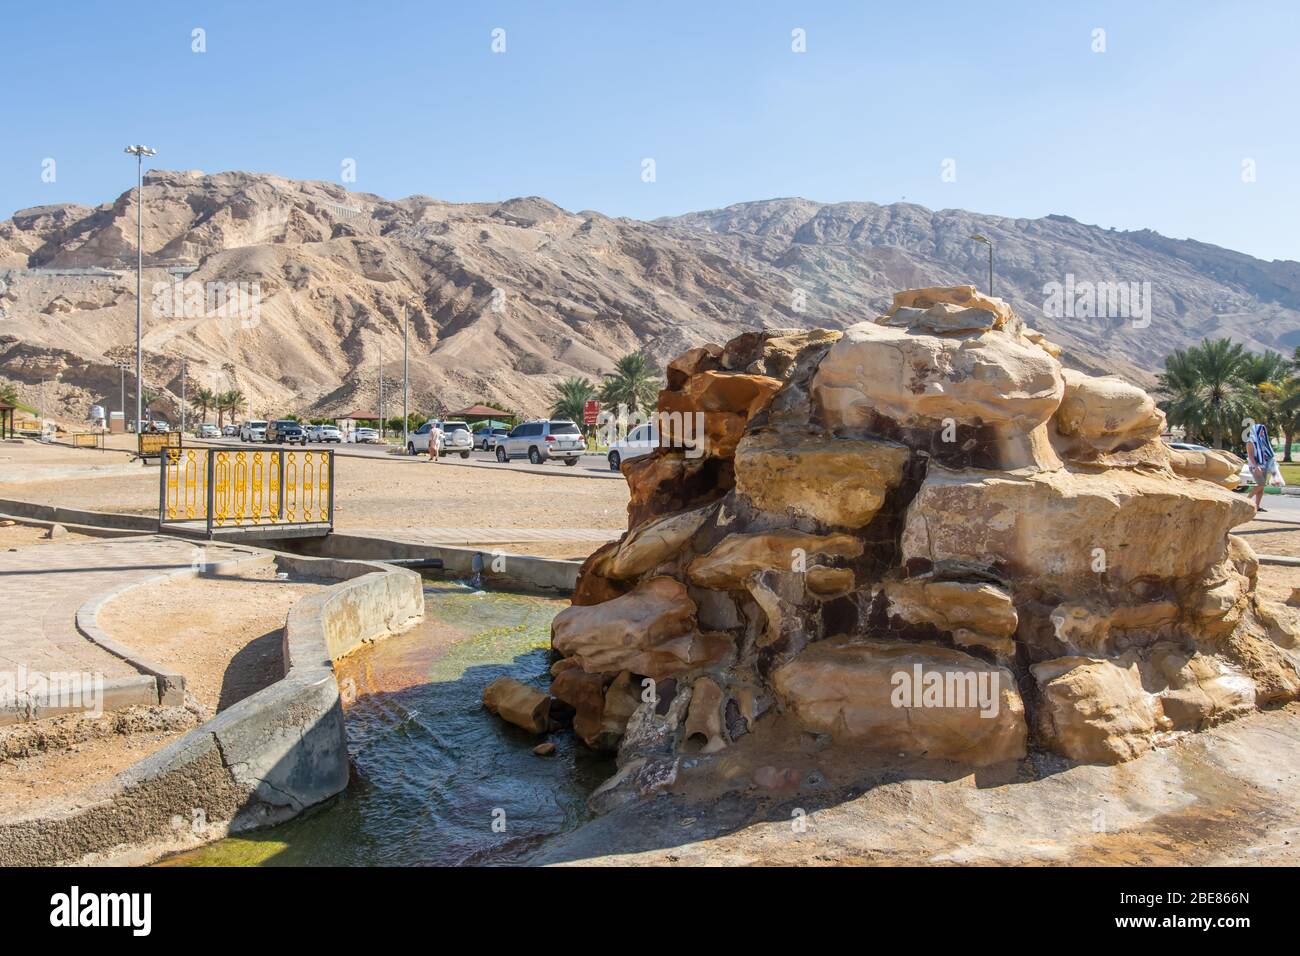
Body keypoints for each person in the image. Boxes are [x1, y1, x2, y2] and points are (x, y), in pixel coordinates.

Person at [1246, 421, 1275, 512]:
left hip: (1264, 465)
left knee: (1261, 488)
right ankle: (1246, 500)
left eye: (1263, 431)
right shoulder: (1250, 441)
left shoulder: (1262, 441)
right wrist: (1256, 466)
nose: (1263, 433)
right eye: (1261, 431)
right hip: (1255, 466)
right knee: (1261, 484)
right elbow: (1250, 456)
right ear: (1256, 430)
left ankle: (1257, 506)